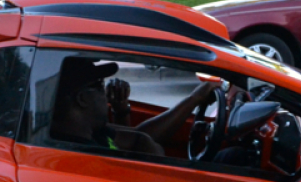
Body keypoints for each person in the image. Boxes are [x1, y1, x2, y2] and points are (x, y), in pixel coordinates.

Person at [50, 58, 216, 156]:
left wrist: (121, 110)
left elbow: (140, 136)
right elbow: (141, 140)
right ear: (82, 99)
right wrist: (195, 98)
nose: (106, 93)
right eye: (100, 86)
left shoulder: (93, 132)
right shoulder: (85, 154)